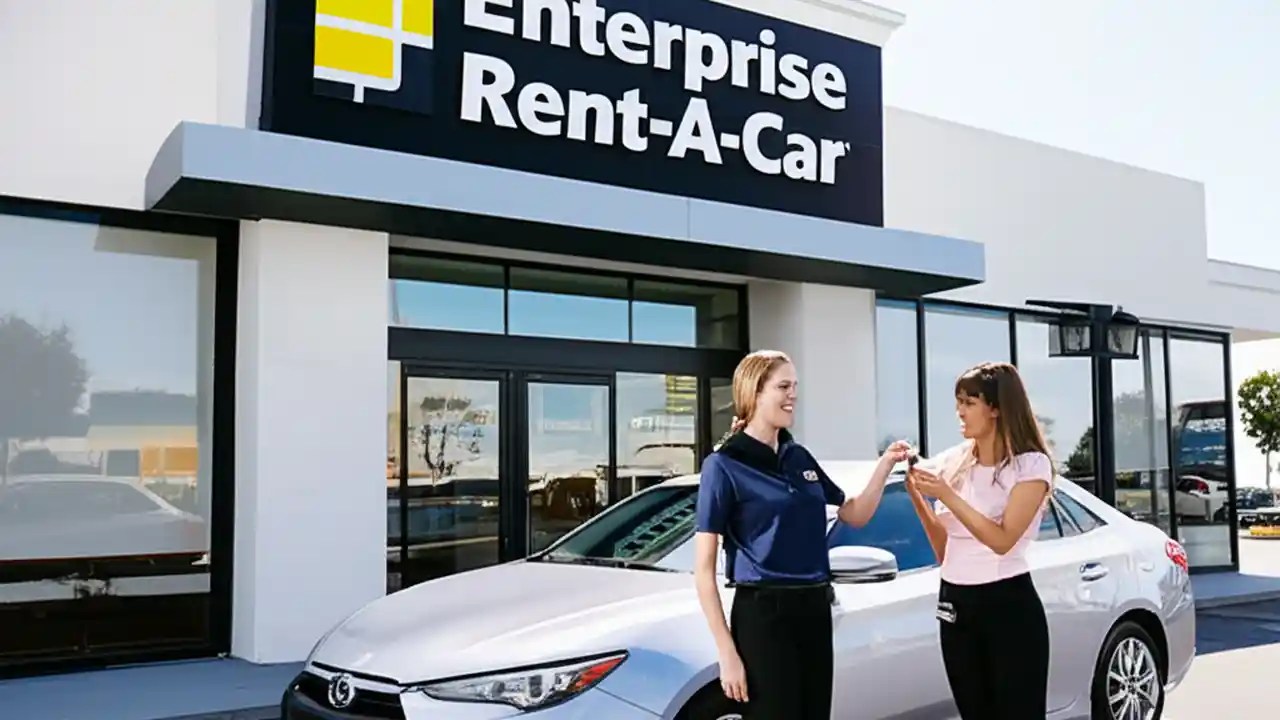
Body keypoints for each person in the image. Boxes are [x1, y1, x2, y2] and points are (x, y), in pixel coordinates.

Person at [692, 349, 912, 719]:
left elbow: (854, 513)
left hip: (813, 610)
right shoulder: (724, 465)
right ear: (754, 392)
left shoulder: (799, 458)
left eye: (795, 386)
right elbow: (702, 571)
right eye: (783, 386)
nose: (793, 394)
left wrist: (885, 465)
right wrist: (727, 654)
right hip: (764, 616)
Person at [904, 361, 1054, 719]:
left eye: (969, 402)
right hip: (955, 602)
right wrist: (916, 495)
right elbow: (944, 548)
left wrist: (947, 495)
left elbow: (1003, 540)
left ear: (997, 408)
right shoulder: (954, 461)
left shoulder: (1030, 466)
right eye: (958, 401)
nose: (960, 411)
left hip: (1006, 602)